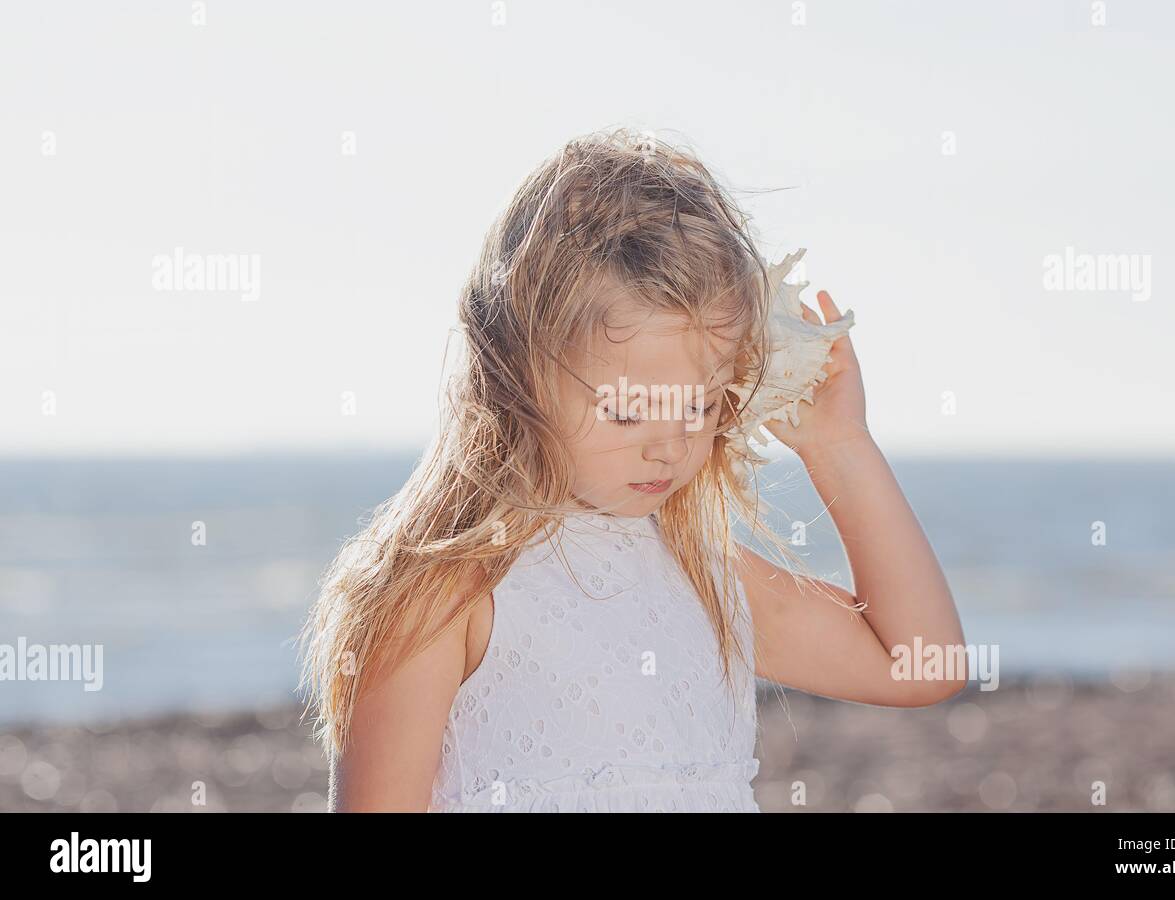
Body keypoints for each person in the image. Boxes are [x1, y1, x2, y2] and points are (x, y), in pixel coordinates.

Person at [297, 127, 965, 812]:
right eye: (627, 410)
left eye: (699, 406)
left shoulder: (700, 574)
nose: (669, 447)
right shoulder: (443, 590)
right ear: (517, 373)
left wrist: (840, 445)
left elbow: (919, 665)